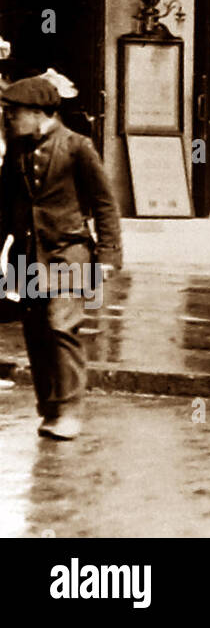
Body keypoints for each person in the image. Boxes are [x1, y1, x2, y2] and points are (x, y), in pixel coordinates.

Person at [0, 75, 122, 441]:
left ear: (39, 113)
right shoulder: (18, 151)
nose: (7, 118)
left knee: (61, 327)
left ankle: (69, 410)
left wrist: (109, 254)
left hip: (69, 254)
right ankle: (50, 408)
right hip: (28, 256)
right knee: (36, 333)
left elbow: (104, 204)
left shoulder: (77, 147)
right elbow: (5, 207)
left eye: (13, 112)